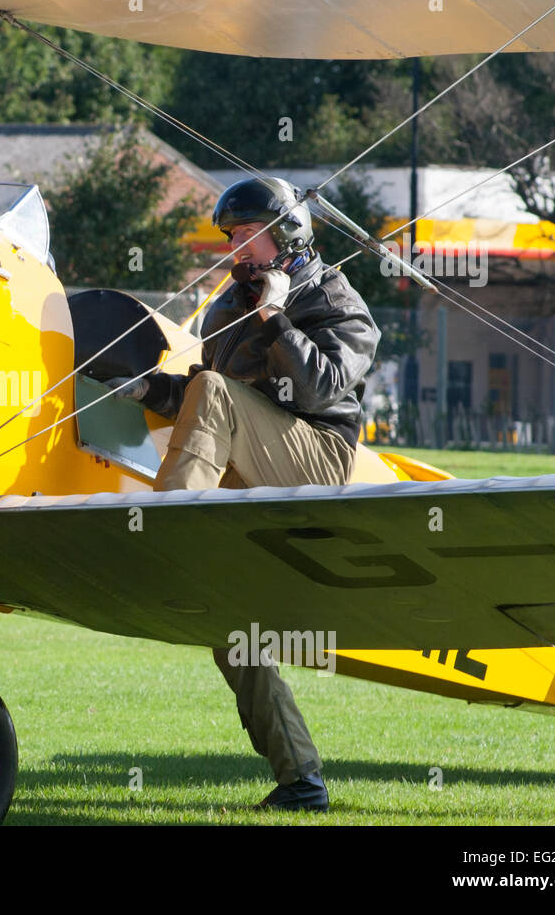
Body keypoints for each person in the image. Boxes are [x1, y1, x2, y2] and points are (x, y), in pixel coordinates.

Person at [107, 176, 380, 812]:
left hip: (315, 463)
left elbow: (319, 390)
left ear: (286, 233)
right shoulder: (226, 307)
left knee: (217, 395)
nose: (234, 250)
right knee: (232, 631)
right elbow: (206, 400)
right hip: (247, 462)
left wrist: (277, 314)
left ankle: (167, 527)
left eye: (245, 235)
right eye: (229, 237)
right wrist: (146, 391)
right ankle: (301, 780)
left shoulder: (339, 301)